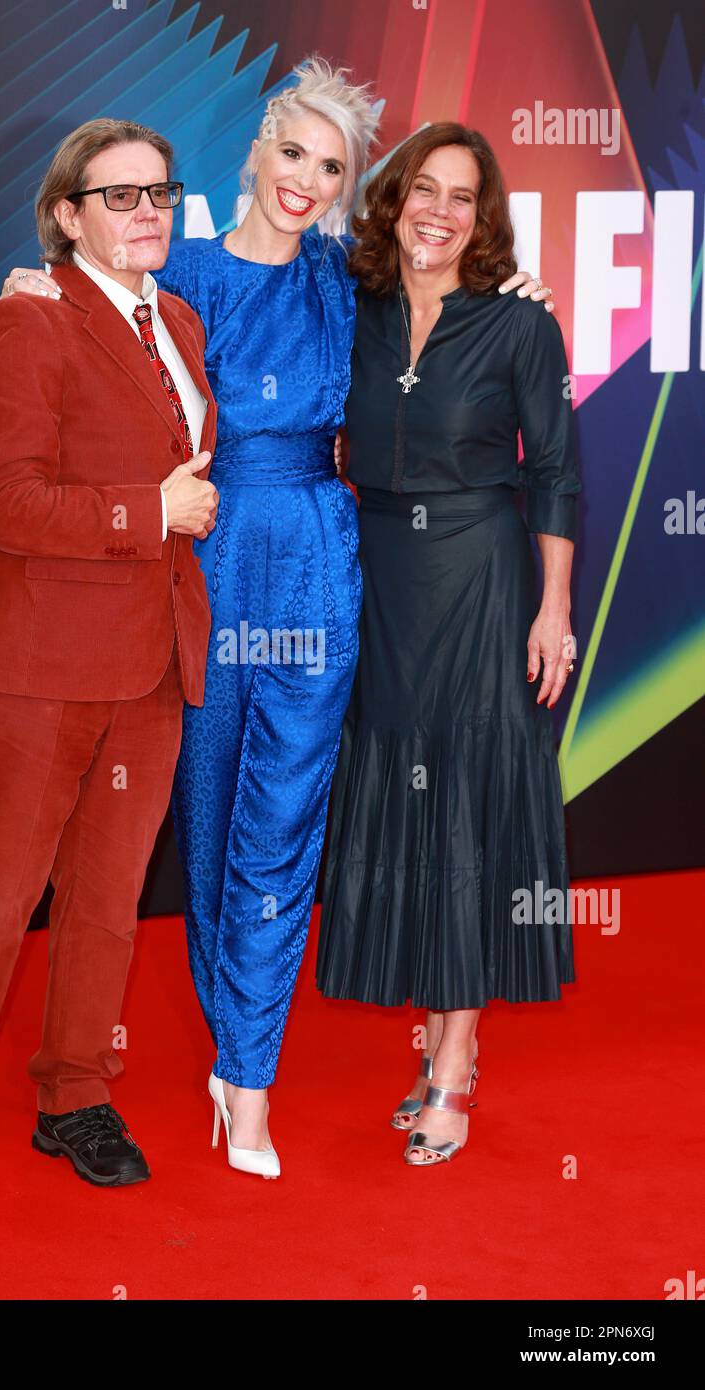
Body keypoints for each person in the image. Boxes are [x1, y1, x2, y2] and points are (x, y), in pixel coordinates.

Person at [2, 63, 553, 1180]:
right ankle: (229, 1045)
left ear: (351, 188)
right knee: (203, 831)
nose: (306, 179)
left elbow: (447, 314)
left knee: (282, 828)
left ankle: (248, 1083)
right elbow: (89, 307)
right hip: (199, 565)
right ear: (256, 151)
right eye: (292, 153)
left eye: (333, 166)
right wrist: (36, 288)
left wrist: (516, 301)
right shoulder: (181, 271)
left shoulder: (350, 285)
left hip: (316, 565)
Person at [0, 118, 218, 1212]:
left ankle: (74, 1095)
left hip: (155, 663)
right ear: (68, 216)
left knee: (107, 904)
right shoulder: (26, 322)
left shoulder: (175, 318)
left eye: (159, 192)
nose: (146, 212)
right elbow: (8, 503)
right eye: (118, 195)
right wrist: (153, 510)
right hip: (40, 665)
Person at [316, 122, 580, 1166]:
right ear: (395, 200)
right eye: (423, 189)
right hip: (379, 576)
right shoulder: (356, 301)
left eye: (462, 197)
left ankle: (455, 1060)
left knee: (465, 798)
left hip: (479, 571)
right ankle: (434, 1028)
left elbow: (555, 470)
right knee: (403, 793)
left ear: (484, 218)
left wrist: (552, 606)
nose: (438, 210)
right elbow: (243, 261)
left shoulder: (520, 327)